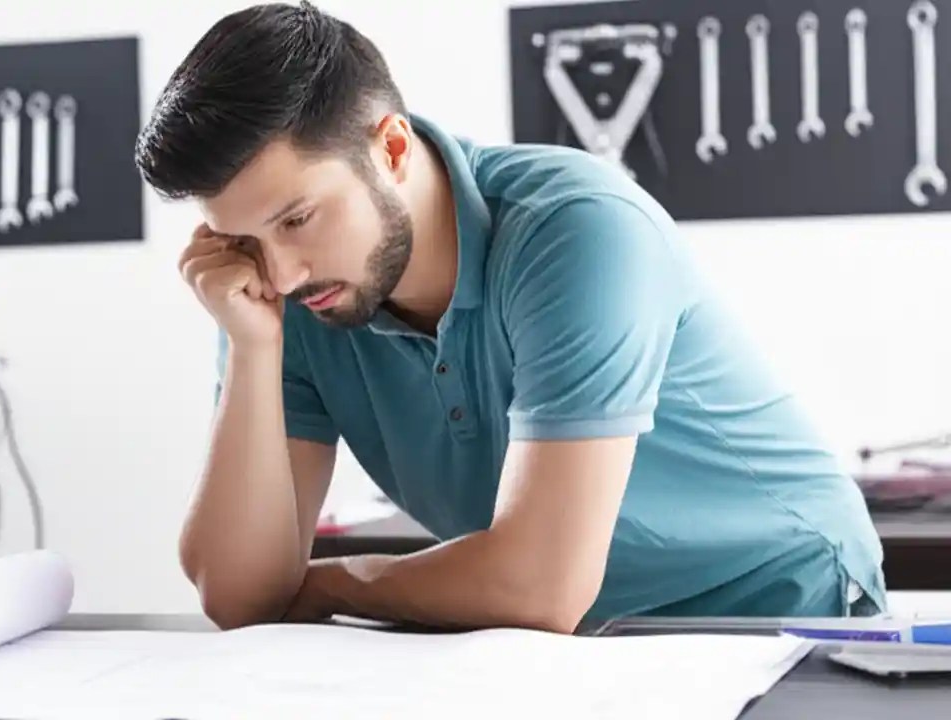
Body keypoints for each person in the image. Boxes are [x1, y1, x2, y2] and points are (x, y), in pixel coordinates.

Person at [134, 1, 887, 632]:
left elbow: (539, 586)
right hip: (570, 642)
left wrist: (335, 583)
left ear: (391, 148)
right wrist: (252, 348)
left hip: (772, 609)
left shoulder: (578, 229)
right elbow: (239, 595)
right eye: (244, 240)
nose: (280, 273)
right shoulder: (289, 294)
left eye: (298, 219)